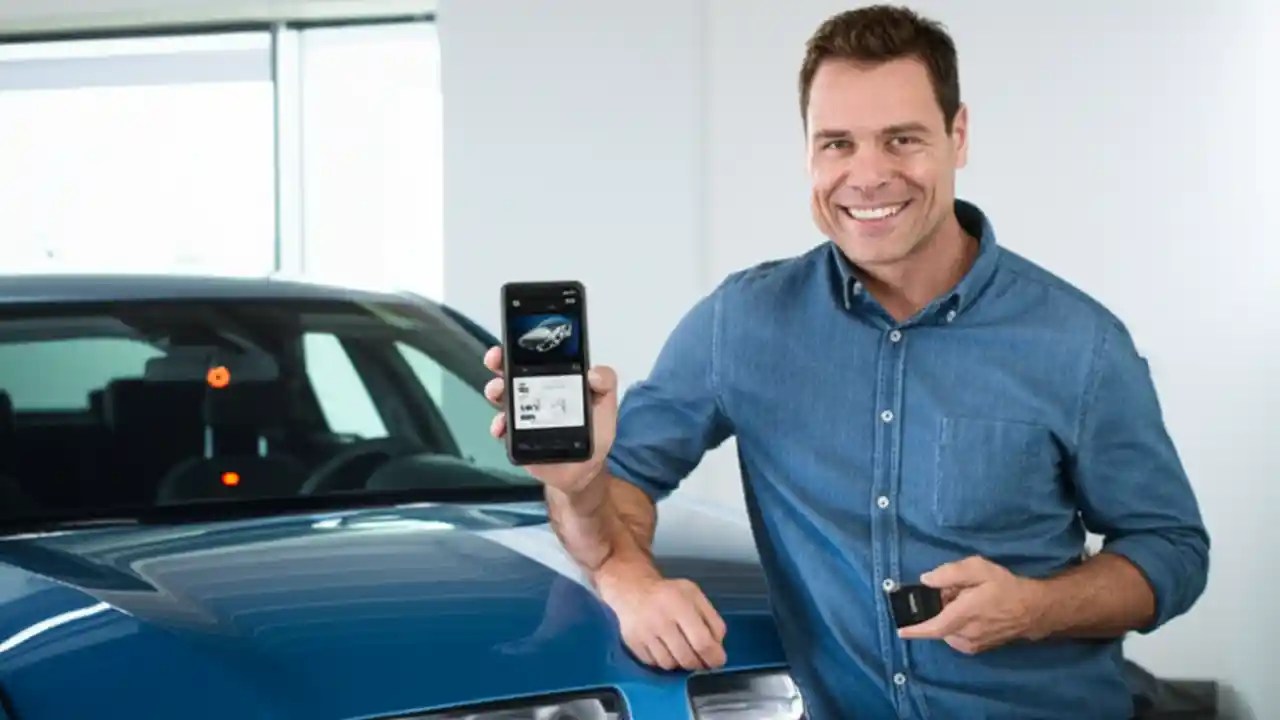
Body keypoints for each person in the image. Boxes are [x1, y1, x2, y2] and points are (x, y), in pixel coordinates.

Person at [483, 5, 1209, 719]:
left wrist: (1036, 608)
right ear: (807, 151)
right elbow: (621, 497)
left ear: (958, 136)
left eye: (902, 139)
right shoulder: (742, 323)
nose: (868, 175)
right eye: (837, 143)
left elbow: (1172, 551)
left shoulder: (1080, 342)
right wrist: (607, 540)